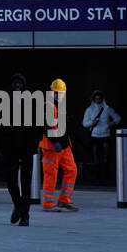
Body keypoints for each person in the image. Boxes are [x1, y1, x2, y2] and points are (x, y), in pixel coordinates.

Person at [0, 72, 45, 227]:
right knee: (10, 181)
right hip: (9, 148)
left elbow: (41, 123)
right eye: (15, 84)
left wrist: (36, 141)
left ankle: (25, 216)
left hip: (26, 148)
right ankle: (18, 206)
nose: (17, 86)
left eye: (20, 84)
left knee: (26, 183)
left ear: (24, 86)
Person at [40, 78, 79, 212]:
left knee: (72, 170)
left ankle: (64, 200)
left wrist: (64, 143)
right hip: (52, 147)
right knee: (51, 174)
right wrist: (55, 142)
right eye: (56, 92)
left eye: (61, 93)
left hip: (64, 145)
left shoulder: (60, 105)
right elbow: (46, 126)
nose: (58, 95)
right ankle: (48, 204)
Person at [82, 90, 122, 186]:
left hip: (105, 136)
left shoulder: (107, 109)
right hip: (95, 137)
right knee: (96, 159)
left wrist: (110, 124)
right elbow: (84, 124)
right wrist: (93, 123)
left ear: (102, 99)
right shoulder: (89, 110)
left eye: (99, 99)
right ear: (93, 99)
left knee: (105, 159)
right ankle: (97, 179)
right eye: (96, 99)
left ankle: (104, 179)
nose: (98, 100)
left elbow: (118, 118)